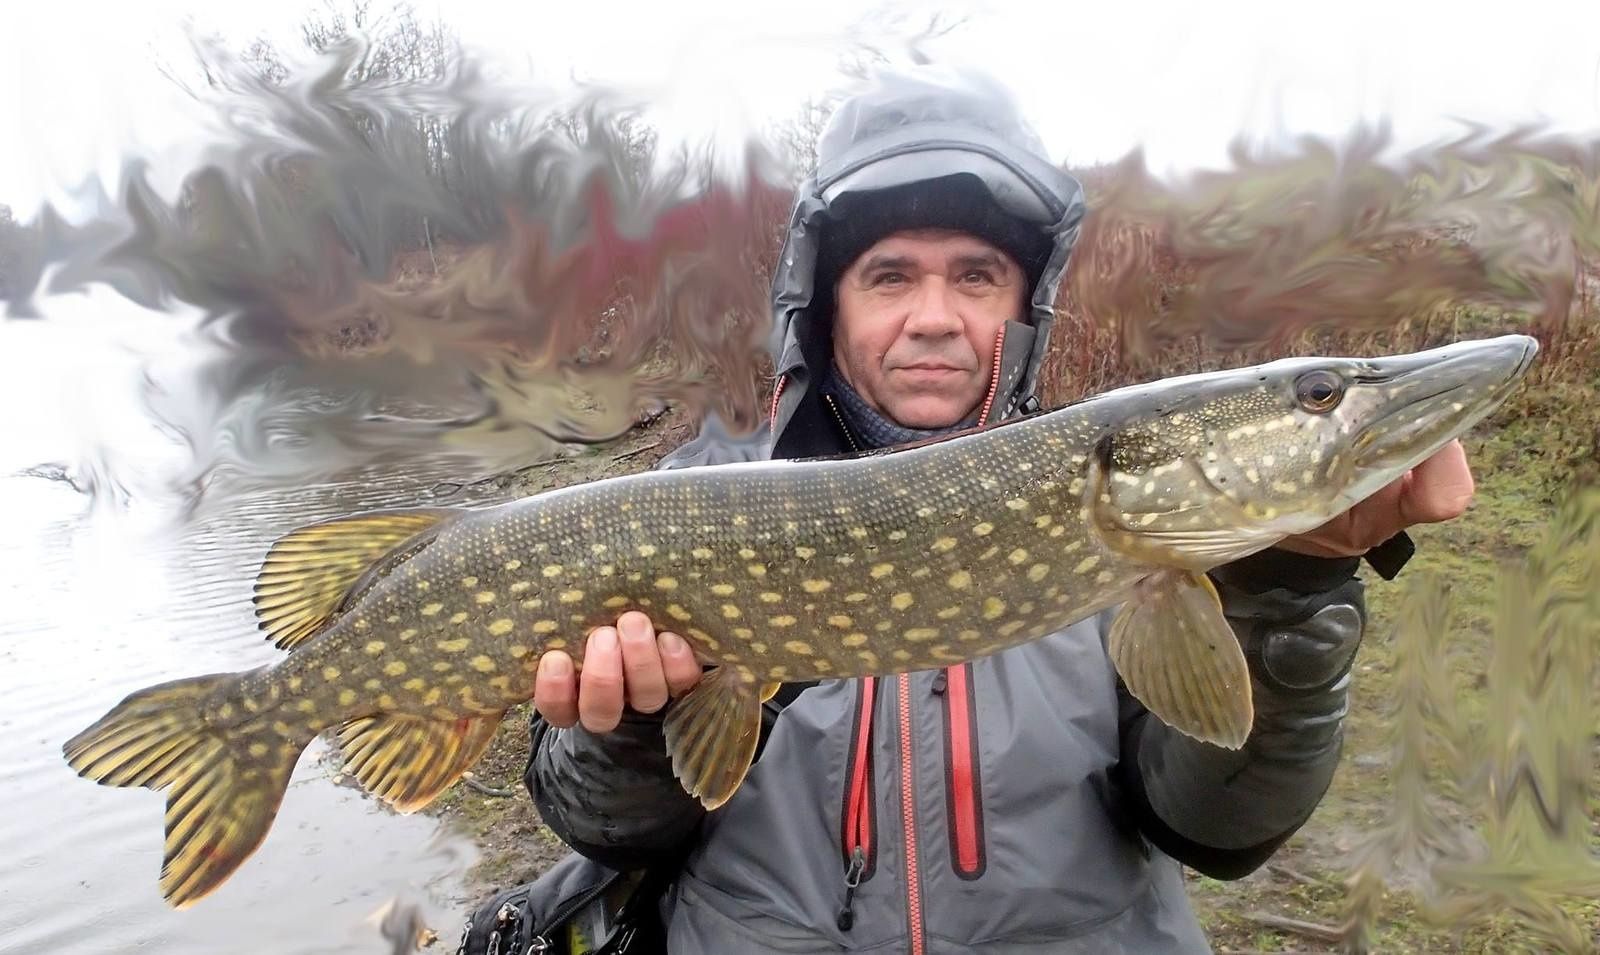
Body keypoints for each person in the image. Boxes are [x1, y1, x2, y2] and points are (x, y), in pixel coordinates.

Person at [520, 65, 1476, 953]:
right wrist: (638, 727)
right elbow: (602, 823)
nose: (934, 316)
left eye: (976, 276)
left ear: (1024, 304)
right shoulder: (699, 497)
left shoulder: (1145, 543)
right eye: (890, 275)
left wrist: (1293, 582)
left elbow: (1219, 827)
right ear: (828, 305)